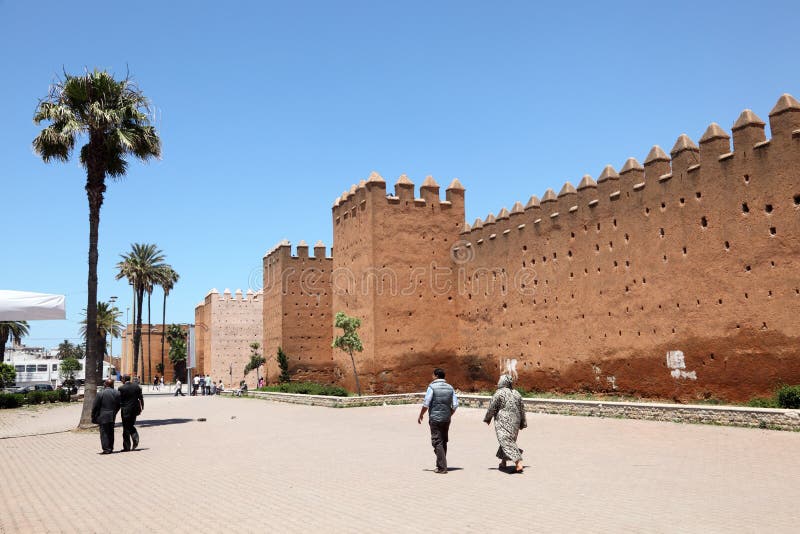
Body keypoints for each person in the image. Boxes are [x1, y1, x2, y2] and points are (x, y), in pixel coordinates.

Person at [484, 373, 527, 473]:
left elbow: (492, 407)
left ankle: (518, 462)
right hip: (515, 422)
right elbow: (522, 409)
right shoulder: (517, 393)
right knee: (508, 440)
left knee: (505, 440)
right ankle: (503, 463)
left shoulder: (499, 393)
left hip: (503, 422)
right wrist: (523, 422)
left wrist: (487, 418)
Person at [417, 368, 458, 474]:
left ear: (436, 376)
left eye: (432, 375)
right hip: (446, 419)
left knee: (437, 442)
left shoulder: (432, 387)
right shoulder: (450, 388)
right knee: (443, 441)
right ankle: (440, 465)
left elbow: (426, 403)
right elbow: (455, 404)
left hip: (435, 418)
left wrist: (421, 414)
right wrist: (449, 414)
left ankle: (442, 467)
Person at [91, 378, 120, 454]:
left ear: (105, 384)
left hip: (103, 415)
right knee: (111, 432)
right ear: (112, 385)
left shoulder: (100, 393)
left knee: (104, 433)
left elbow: (95, 406)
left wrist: (93, 416)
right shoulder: (117, 393)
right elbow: (119, 405)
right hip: (112, 415)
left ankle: (106, 449)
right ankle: (110, 447)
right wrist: (114, 412)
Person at [118, 375, 144, 452]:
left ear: (123, 379)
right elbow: (141, 398)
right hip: (135, 410)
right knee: (130, 425)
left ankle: (127, 446)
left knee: (126, 428)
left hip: (125, 410)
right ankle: (135, 437)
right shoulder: (137, 387)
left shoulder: (121, 388)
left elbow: (119, 400)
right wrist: (142, 407)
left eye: (122, 379)